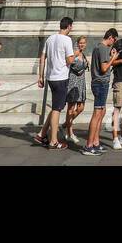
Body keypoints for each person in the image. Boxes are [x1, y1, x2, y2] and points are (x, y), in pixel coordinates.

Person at [35, 17, 76, 148]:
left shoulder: (50, 38)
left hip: (50, 78)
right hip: (61, 77)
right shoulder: (67, 40)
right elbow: (69, 60)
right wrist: (76, 54)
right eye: (71, 26)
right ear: (69, 26)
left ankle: (41, 134)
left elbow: (42, 57)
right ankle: (53, 141)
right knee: (57, 109)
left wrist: (40, 76)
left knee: (55, 107)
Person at [83, 30, 118, 157]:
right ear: (110, 37)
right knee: (97, 114)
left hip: (99, 83)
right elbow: (104, 68)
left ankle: (96, 142)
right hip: (100, 83)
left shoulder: (98, 47)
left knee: (101, 111)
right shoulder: (103, 49)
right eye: (114, 40)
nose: (113, 43)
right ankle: (88, 145)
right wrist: (113, 58)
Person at [63, 34, 89, 144]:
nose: (82, 44)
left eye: (84, 43)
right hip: (73, 83)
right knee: (71, 108)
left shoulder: (83, 54)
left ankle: (66, 124)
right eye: (80, 43)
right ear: (77, 43)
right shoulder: (75, 53)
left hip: (81, 83)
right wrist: (84, 65)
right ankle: (70, 132)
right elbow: (75, 66)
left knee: (81, 107)